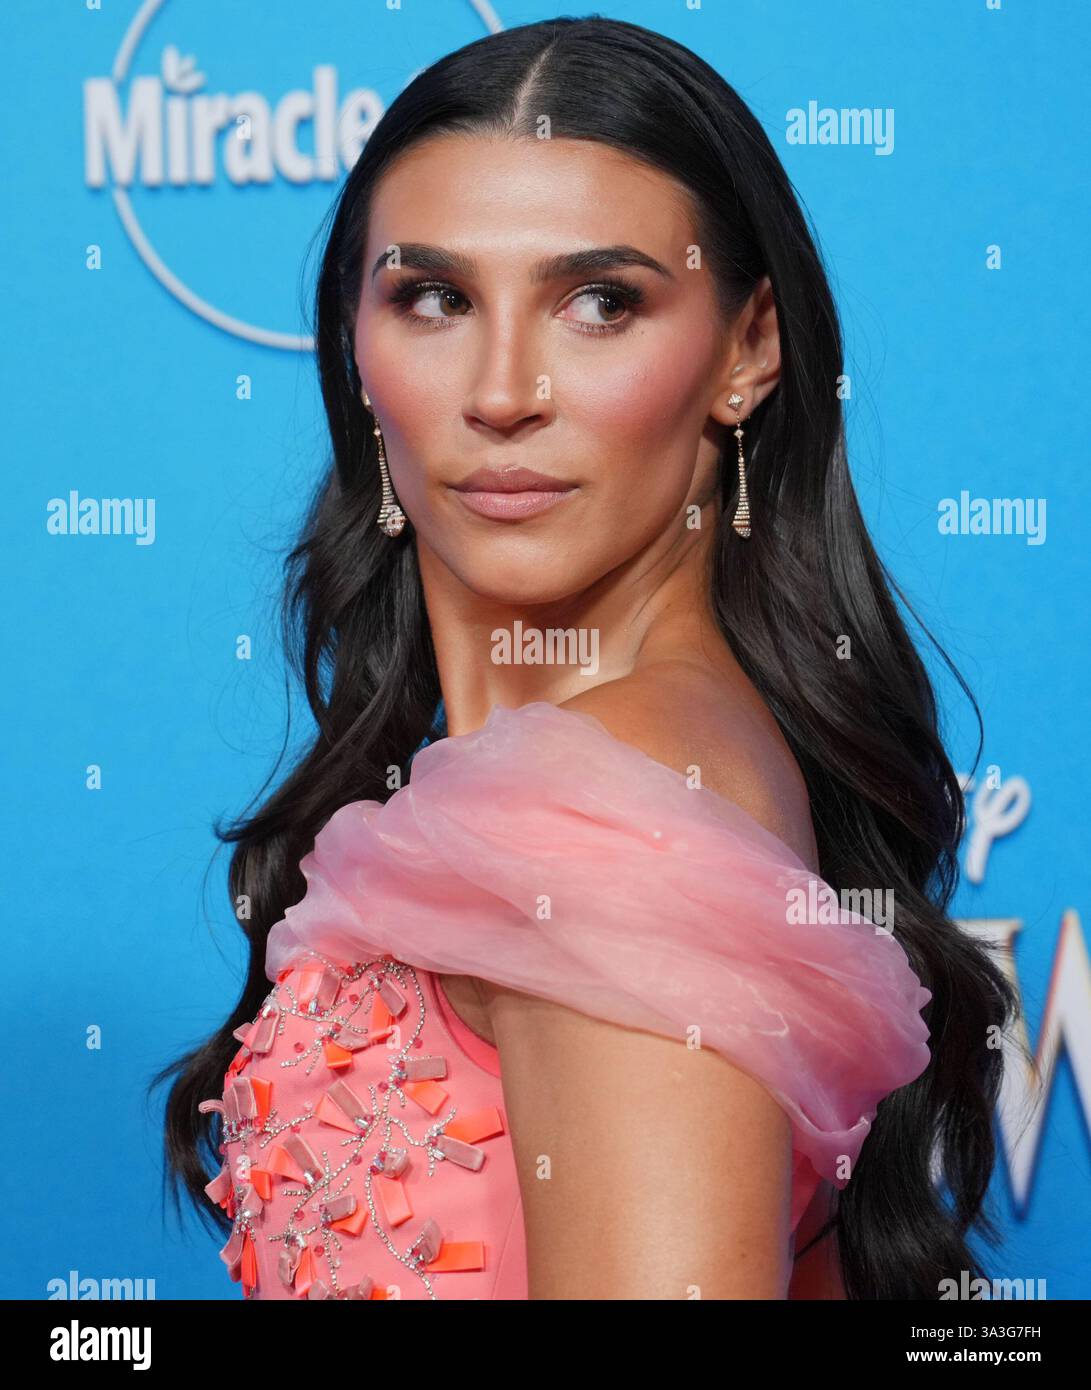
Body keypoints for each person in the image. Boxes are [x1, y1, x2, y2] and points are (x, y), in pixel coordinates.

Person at [155, 16, 1019, 1300]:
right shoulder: (617, 760)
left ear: (747, 351)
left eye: (599, 302)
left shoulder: (608, 792)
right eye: (434, 298)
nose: (503, 390)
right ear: (355, 343)